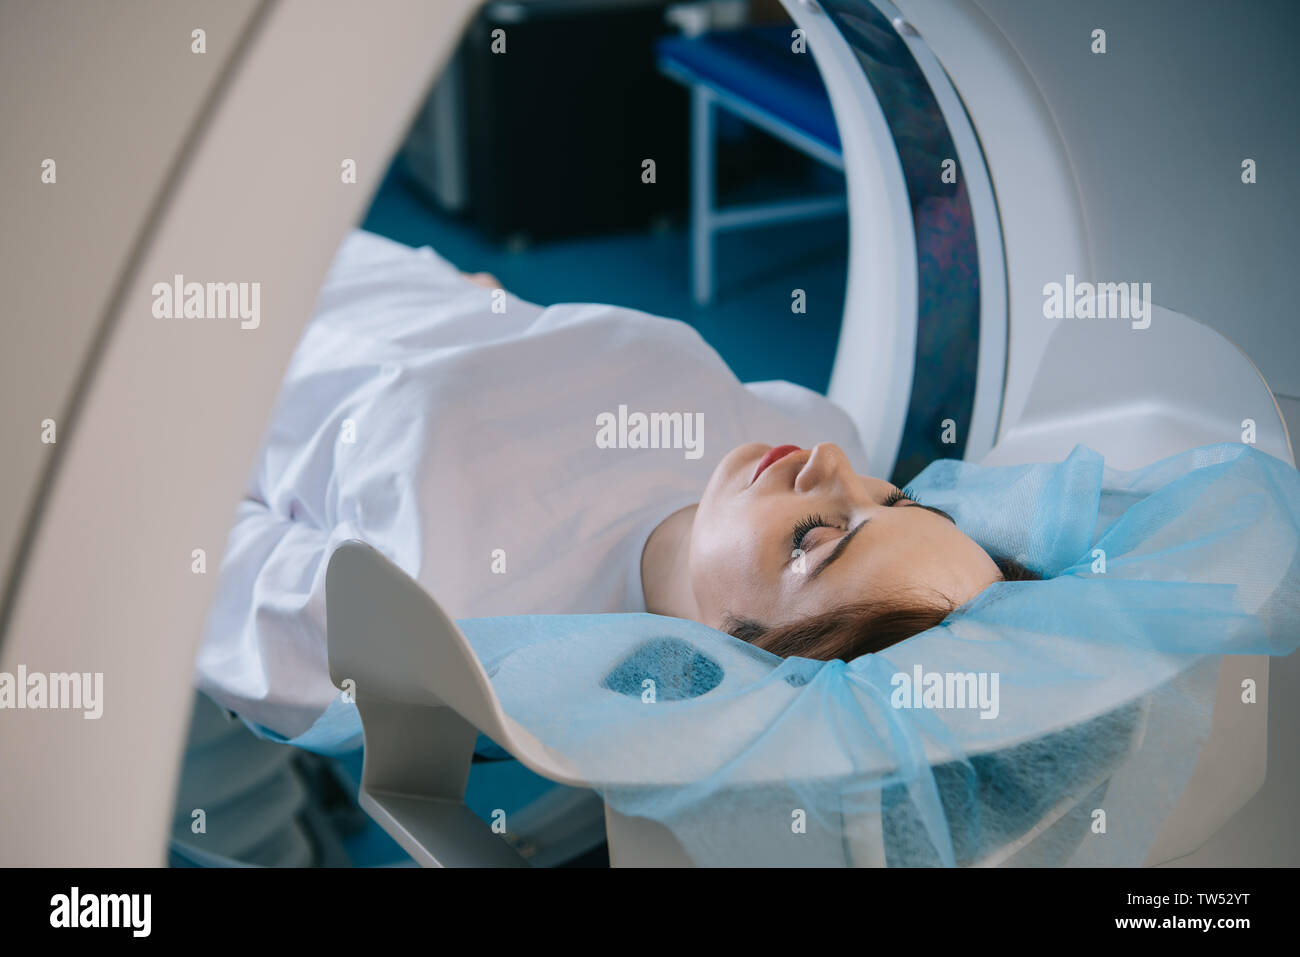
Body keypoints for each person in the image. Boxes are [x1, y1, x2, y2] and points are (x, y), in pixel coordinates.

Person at [196, 230, 1025, 742]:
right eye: (894, 501)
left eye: (815, 538)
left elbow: (194, 560)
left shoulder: (449, 615)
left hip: (209, 343)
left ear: (745, 659)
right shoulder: (796, 441)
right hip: (374, 266)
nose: (832, 467)